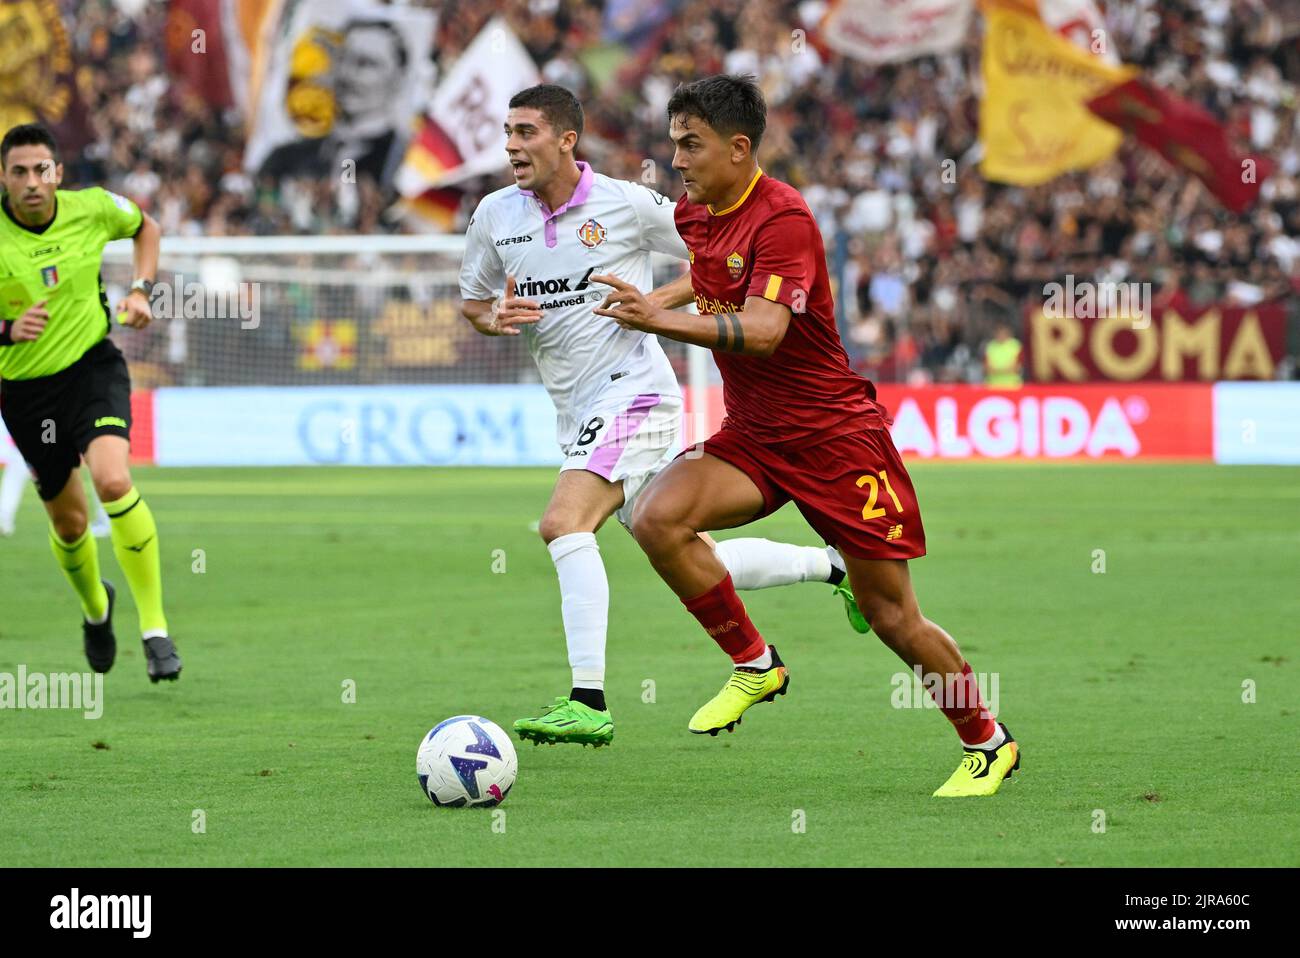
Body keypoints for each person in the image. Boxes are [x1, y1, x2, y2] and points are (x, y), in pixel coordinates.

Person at [593, 75, 1019, 796]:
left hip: (837, 442)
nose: (676, 162)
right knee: (656, 517)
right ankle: (757, 662)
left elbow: (762, 330)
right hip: (755, 437)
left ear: (737, 147)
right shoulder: (698, 217)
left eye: (689, 146)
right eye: (672, 145)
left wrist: (655, 321)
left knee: (892, 616)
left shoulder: (784, 217)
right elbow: (716, 282)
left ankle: (987, 739)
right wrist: (659, 295)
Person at [459, 84, 867, 749]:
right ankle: (833, 567)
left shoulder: (626, 205)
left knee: (563, 523)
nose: (511, 146)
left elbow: (712, 259)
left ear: (566, 140)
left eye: (526, 132)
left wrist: (654, 305)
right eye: (507, 132)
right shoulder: (493, 215)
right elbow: (474, 302)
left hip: (636, 395)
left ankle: (587, 698)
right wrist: (494, 318)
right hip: (575, 410)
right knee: (684, 552)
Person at [0, 123, 181, 681]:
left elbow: (146, 227)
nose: (32, 182)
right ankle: (96, 611)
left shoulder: (94, 208)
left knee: (113, 481)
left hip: (92, 369)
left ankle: (155, 631)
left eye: (41, 169)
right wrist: (6, 329)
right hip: (26, 392)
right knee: (72, 524)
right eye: (19, 171)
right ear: (3, 177)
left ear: (57, 172)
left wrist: (140, 291)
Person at [984, 322, 1023, 388]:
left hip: (1012, 385)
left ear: (1008, 333)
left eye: (1003, 333)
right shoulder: (990, 346)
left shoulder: (1015, 346)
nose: (1001, 335)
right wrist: (1007, 369)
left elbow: (1017, 368)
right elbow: (986, 369)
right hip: (993, 386)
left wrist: (996, 370)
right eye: (998, 333)